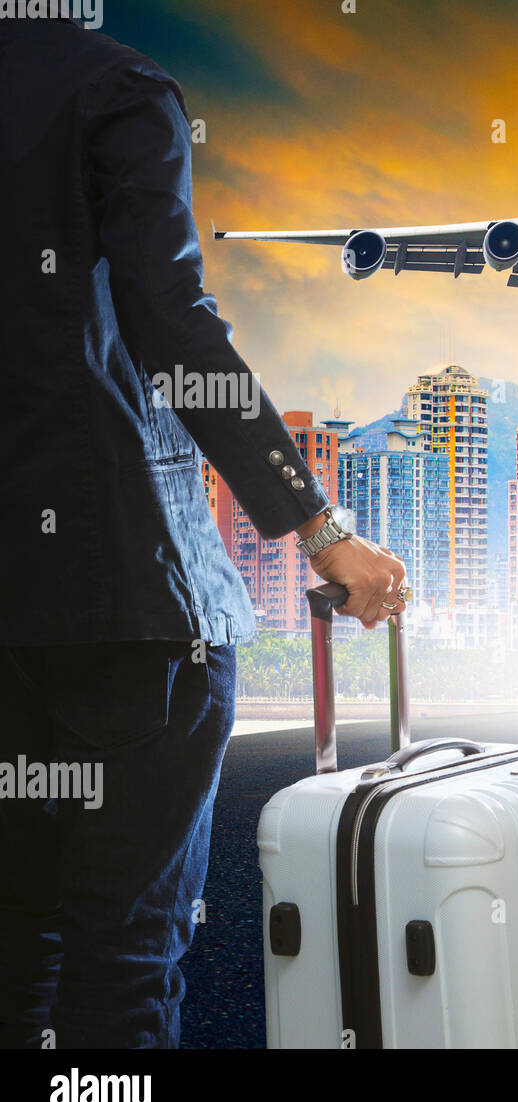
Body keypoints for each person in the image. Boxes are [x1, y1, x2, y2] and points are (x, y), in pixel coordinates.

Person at [0, 15, 405, 1047]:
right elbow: (172, 322)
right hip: (127, 600)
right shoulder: (116, 89)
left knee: (17, 948)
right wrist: (317, 528)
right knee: (123, 955)